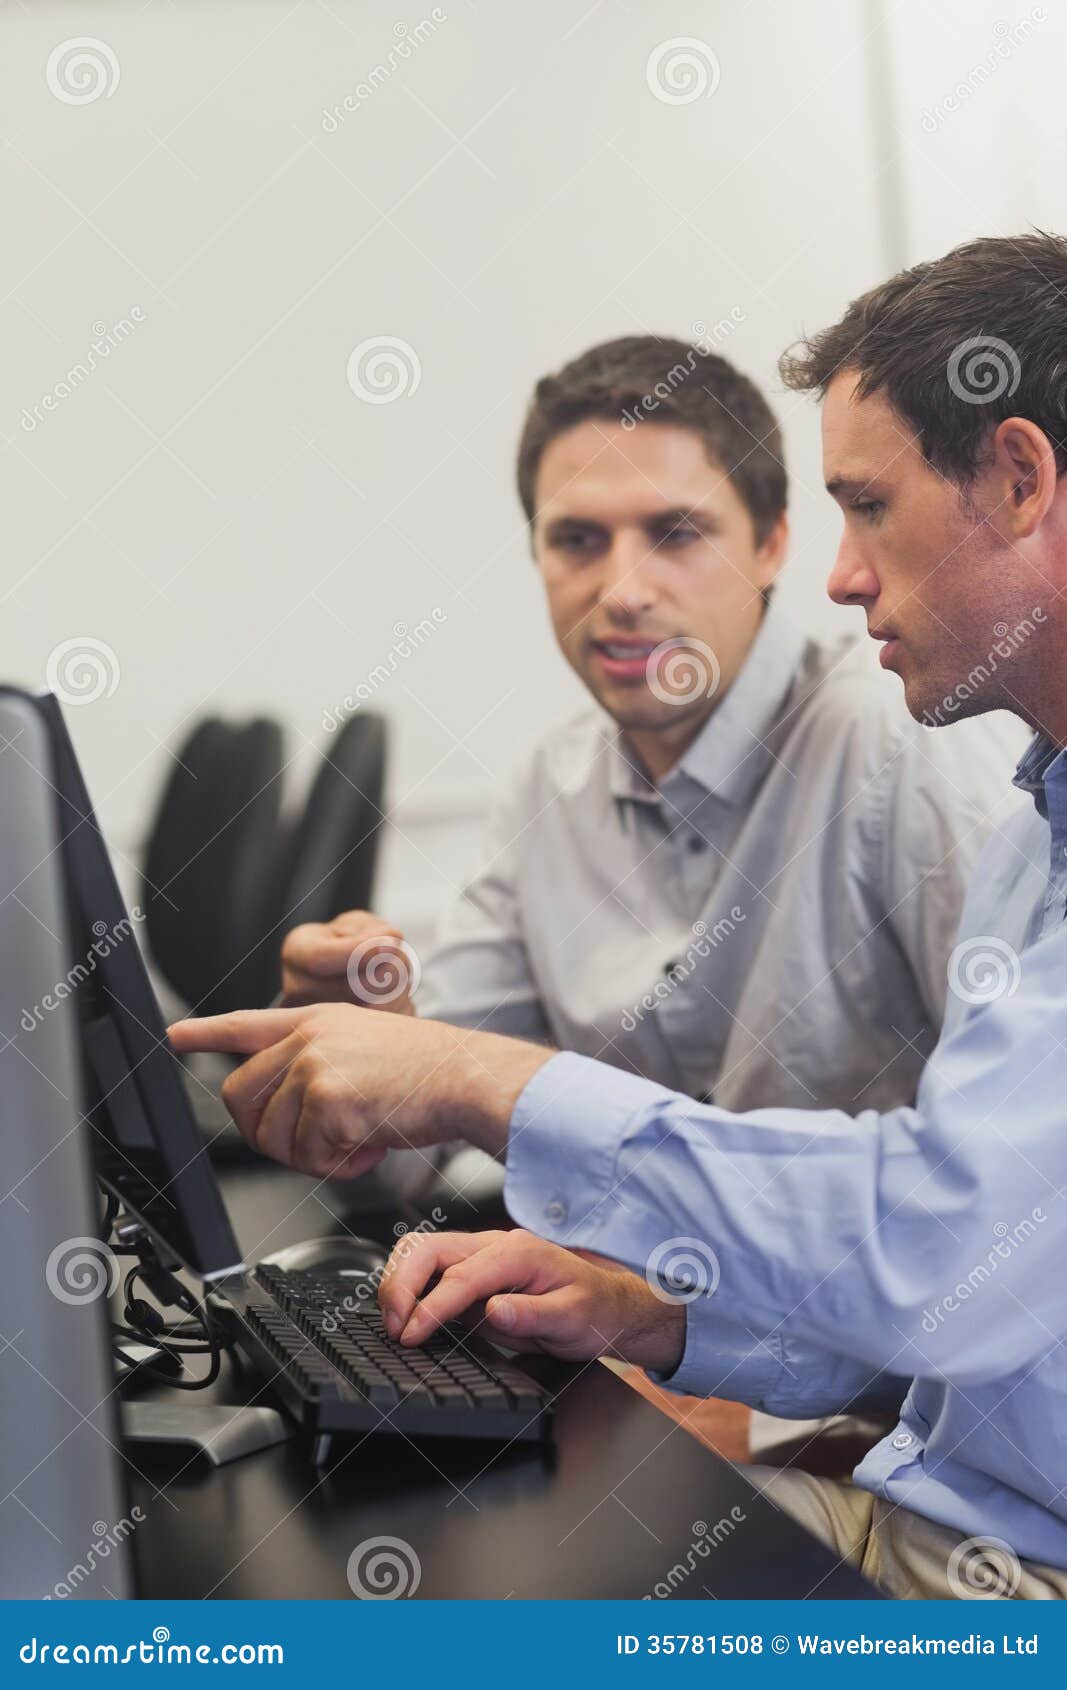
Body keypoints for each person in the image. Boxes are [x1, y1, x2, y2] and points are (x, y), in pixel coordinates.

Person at [172, 232, 1067, 1599]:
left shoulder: (917, 769)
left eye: (862, 506)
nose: (622, 586)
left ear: (1014, 478)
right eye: (575, 541)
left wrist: (482, 1081)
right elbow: (971, 1281)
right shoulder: (1031, 831)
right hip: (907, 1490)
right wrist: (653, 1309)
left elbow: (951, 1252)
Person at [280, 336, 1016, 1210]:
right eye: (578, 540)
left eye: (675, 533)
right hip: (634, 1326)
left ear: (772, 544)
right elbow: (406, 1147)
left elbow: (1015, 1170)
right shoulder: (549, 787)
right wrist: (366, 1054)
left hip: (865, 1337)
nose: (621, 591)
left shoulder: (901, 747)